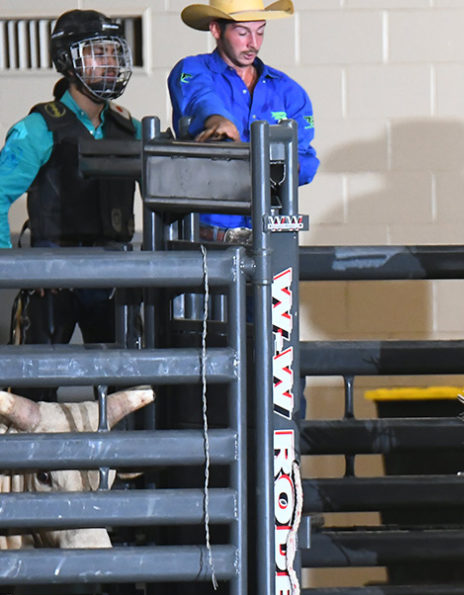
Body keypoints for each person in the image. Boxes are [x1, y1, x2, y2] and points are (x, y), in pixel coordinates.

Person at [0, 9, 140, 398]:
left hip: (115, 278)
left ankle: (129, 461)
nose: (109, 64)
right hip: (52, 278)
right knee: (32, 392)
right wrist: (16, 269)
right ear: (68, 61)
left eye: (113, 53)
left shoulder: (131, 128)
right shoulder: (39, 127)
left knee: (130, 389)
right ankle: (27, 461)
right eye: (98, 54)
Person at [169, 0, 318, 243]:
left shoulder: (288, 91)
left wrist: (281, 169)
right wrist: (217, 120)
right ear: (216, 30)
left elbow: (304, 158)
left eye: (260, 31)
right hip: (207, 242)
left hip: (271, 238)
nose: (254, 43)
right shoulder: (193, 69)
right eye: (242, 32)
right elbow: (199, 96)